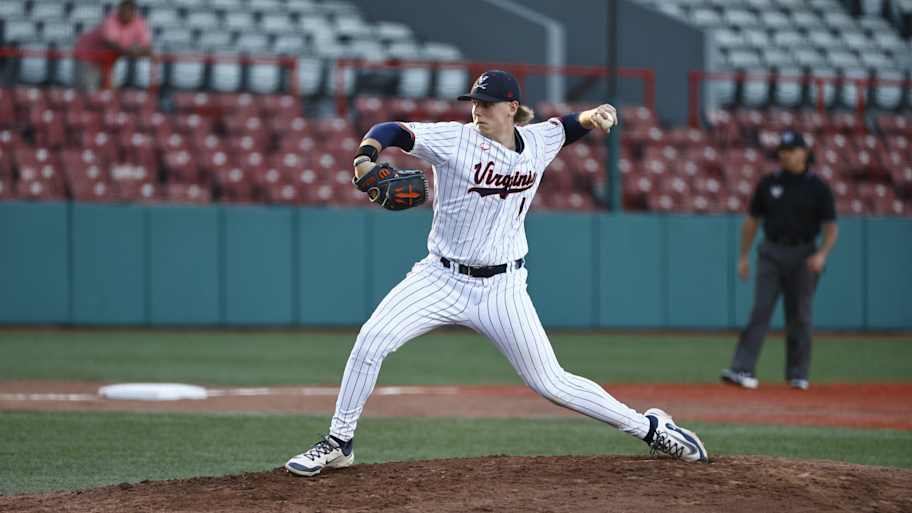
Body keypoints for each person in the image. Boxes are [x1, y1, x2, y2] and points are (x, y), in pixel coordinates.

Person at [285, 70, 709, 477]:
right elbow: (392, 129)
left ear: (511, 107)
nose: (477, 111)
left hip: (502, 289)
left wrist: (590, 116)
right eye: (474, 102)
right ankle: (339, 443)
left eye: (487, 104)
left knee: (551, 383)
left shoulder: (539, 141)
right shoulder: (454, 139)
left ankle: (652, 430)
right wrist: (365, 157)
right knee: (372, 339)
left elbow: (565, 127)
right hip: (439, 279)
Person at [721, 130, 838, 391]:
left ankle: (798, 373)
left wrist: (822, 254)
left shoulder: (818, 187)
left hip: (804, 253)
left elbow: (831, 227)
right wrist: (743, 255)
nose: (787, 155)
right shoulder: (769, 183)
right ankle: (742, 369)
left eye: (792, 150)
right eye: (783, 151)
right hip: (771, 252)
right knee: (760, 310)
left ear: (805, 153)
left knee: (800, 314)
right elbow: (752, 221)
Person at [73, 0, 152, 91]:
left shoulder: (139, 22)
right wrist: (130, 52)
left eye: (129, 11)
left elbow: (147, 47)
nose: (125, 14)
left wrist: (137, 51)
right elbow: (110, 44)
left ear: (133, 12)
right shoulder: (111, 20)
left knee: (108, 89)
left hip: (108, 59)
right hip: (88, 54)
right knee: (88, 89)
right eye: (123, 11)